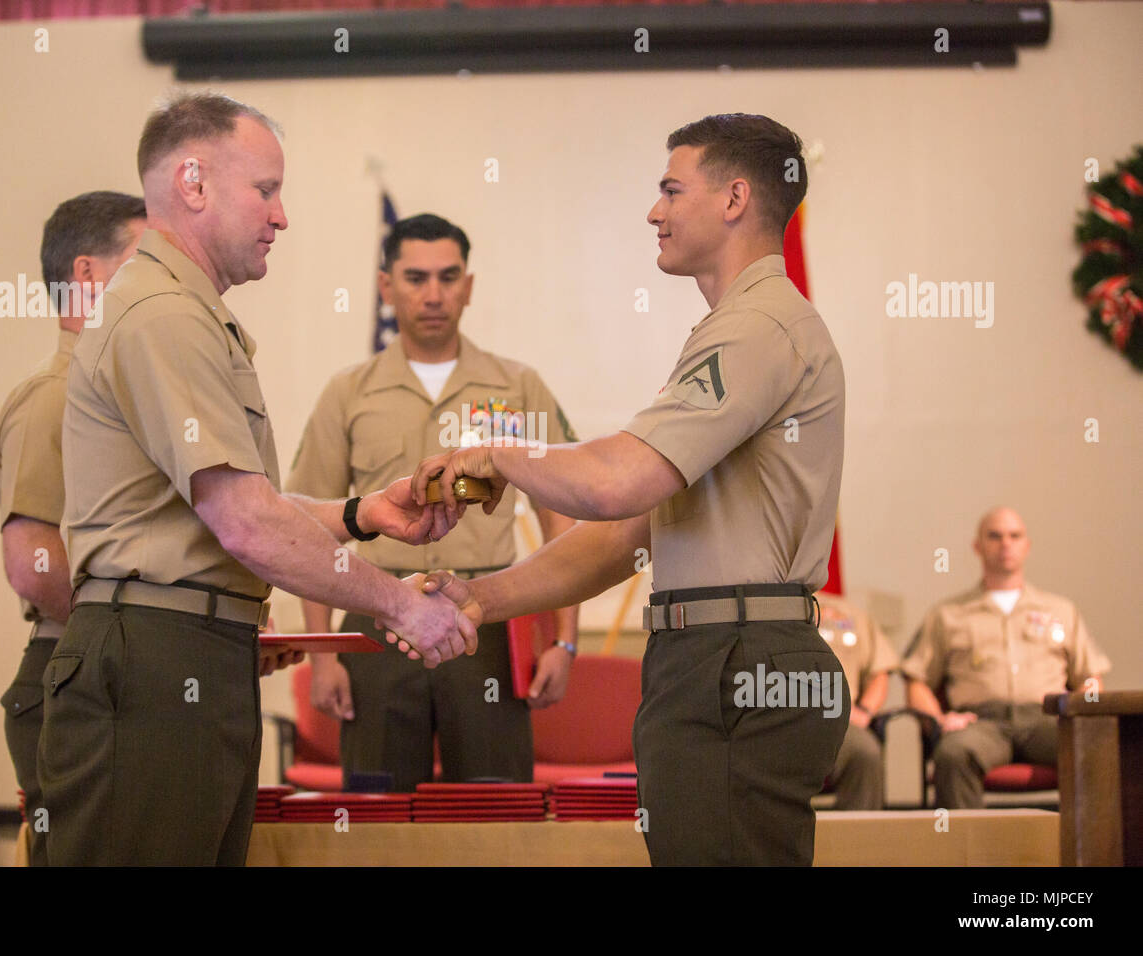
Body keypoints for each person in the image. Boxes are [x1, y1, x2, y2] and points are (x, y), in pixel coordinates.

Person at [39, 92, 476, 866]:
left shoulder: (190, 313)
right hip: (153, 657)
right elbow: (244, 522)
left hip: (192, 650)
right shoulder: (163, 315)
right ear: (194, 184)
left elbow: (240, 506)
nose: (282, 217)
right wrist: (400, 605)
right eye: (266, 191)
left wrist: (363, 512)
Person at [406, 113, 849, 865]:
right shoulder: (740, 328)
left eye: (671, 189)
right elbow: (628, 529)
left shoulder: (758, 327)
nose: (655, 210)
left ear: (735, 197)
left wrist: (499, 453)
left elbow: (619, 480)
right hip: (718, 654)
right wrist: (484, 600)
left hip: (740, 659)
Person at [287, 213, 580, 791]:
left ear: (468, 286)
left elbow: (562, 519)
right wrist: (322, 655)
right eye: (416, 278)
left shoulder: (518, 388)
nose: (433, 294)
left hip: (486, 622)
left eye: (448, 277)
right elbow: (308, 525)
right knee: (377, 809)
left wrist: (564, 641)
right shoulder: (348, 393)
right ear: (385, 286)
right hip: (375, 621)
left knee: (497, 810)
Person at [0, 190, 146, 865]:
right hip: (70, 671)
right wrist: (142, 639)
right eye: (143, 264)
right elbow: (34, 563)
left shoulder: (117, 394)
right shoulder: (55, 398)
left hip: (111, 672)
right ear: (86, 275)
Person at [901, 506, 1111, 808]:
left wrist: (1082, 715)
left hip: (1047, 719)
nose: (1006, 544)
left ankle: (1093, 852)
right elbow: (917, 679)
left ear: (1027, 545)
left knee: (1096, 749)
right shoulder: (948, 614)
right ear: (977, 546)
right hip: (982, 723)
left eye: (1015, 536)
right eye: (995, 536)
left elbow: (1090, 677)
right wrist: (939, 718)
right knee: (953, 754)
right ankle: (966, 853)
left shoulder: (1061, 610)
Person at [814, 591, 898, 810]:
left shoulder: (851, 615)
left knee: (864, 752)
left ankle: (861, 840)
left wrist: (865, 711)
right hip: (774, 715)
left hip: (838, 719)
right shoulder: (759, 608)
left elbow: (879, 671)